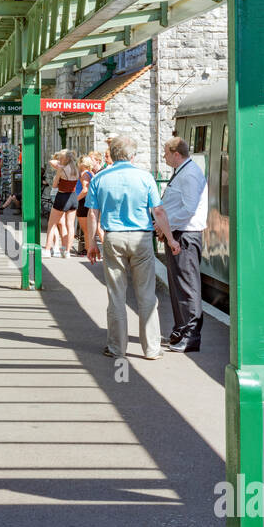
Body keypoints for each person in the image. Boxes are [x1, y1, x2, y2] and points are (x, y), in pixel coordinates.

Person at [86, 134, 161, 360]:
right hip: (142, 238)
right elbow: (157, 211)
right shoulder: (145, 177)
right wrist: (170, 237)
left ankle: (117, 348)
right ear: (132, 155)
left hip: (113, 238)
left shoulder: (100, 178)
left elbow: (92, 213)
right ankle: (151, 349)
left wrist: (91, 243)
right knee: (147, 294)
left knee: (116, 295)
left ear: (113, 154)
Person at [153, 137, 208, 353]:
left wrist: (165, 227)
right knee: (177, 285)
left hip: (186, 234)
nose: (164, 157)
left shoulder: (190, 175)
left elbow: (189, 209)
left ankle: (191, 335)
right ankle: (180, 330)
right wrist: (166, 230)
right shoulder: (184, 172)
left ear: (177, 154)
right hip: (178, 232)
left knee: (187, 285)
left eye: (166, 153)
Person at [44, 149, 80, 259]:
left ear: (64, 159)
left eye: (60, 158)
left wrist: (58, 170)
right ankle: (66, 251)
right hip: (73, 197)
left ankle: (47, 250)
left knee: (52, 224)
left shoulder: (62, 169)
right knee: (70, 226)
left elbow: (54, 185)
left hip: (62, 196)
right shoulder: (76, 168)